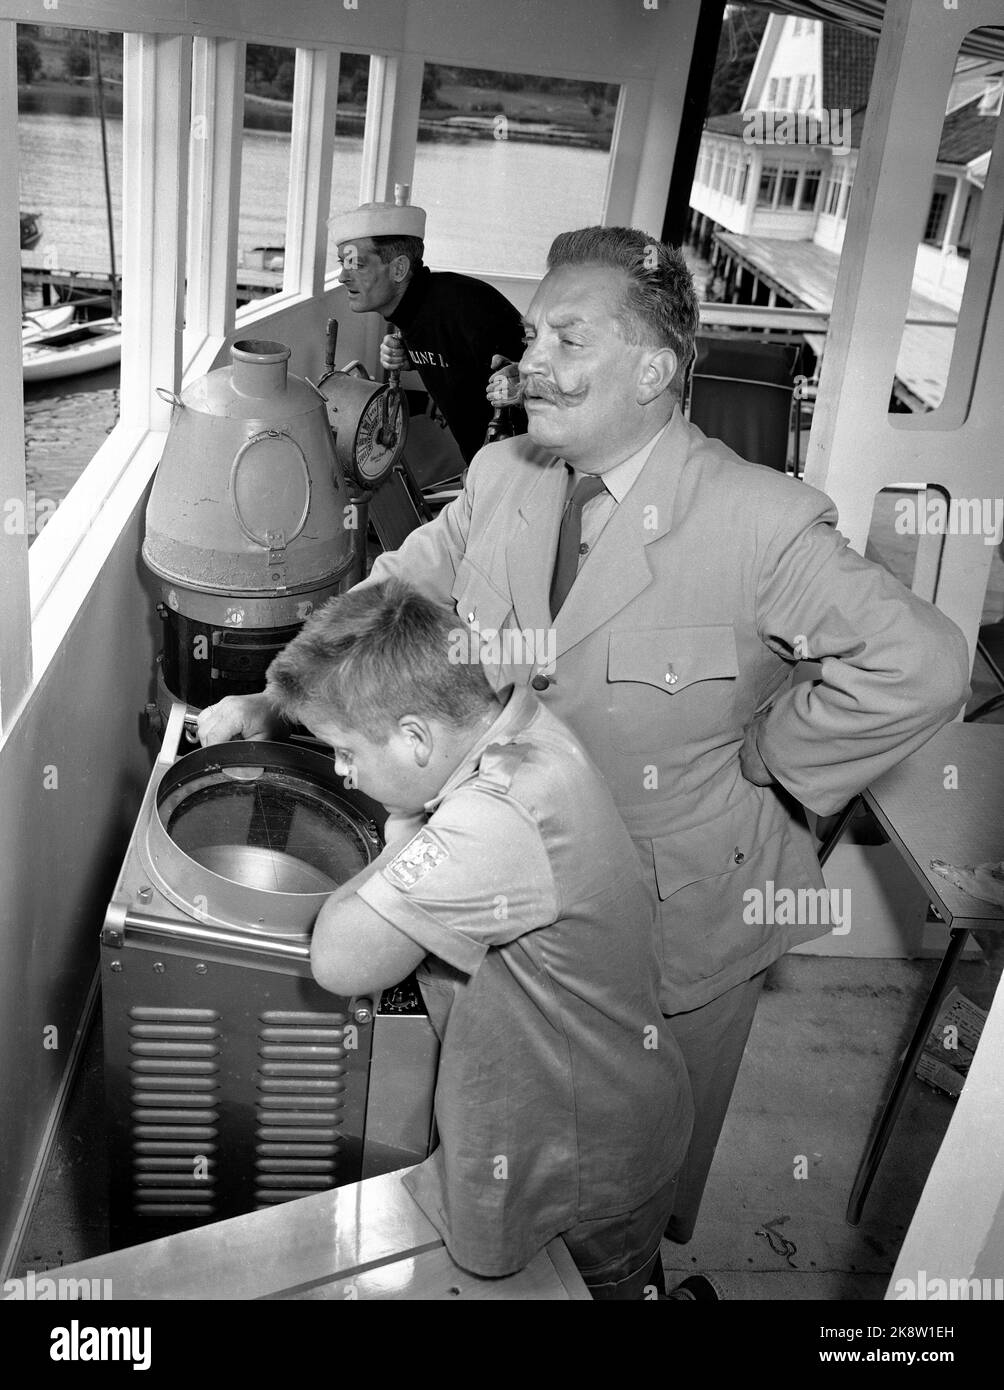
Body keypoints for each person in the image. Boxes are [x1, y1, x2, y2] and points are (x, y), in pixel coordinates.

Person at [200, 225, 971, 1262]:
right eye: (528, 337)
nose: (528, 366)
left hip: (672, 916)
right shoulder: (504, 474)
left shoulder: (759, 520)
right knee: (503, 1134)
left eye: (567, 340)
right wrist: (275, 695)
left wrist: (773, 758)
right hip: (507, 895)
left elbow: (916, 663)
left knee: (627, 1180)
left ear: (654, 369)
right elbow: (396, 589)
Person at [262, 578, 694, 1299]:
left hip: (583, 1157)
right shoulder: (520, 726)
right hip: (599, 1099)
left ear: (416, 737)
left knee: (591, 1288)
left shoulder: (496, 818)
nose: (341, 772)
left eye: (343, 750)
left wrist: (398, 834)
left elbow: (338, 961)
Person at [330, 199, 526, 463]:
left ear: (399, 268)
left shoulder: (466, 305)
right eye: (343, 263)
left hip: (522, 465)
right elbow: (456, 359)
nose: (343, 276)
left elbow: (525, 380)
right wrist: (411, 357)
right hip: (483, 463)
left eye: (357, 265)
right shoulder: (414, 310)